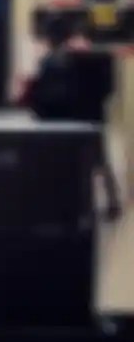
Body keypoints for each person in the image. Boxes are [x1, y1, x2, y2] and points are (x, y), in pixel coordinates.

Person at [27, 18, 122, 221]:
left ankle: (103, 204)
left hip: (83, 118)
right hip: (82, 118)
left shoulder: (84, 59)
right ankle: (96, 204)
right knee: (90, 163)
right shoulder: (73, 59)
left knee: (93, 162)